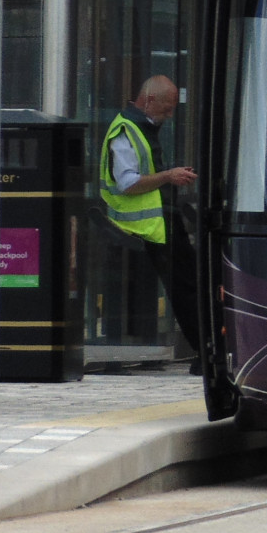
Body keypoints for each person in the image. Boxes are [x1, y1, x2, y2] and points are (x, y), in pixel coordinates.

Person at [98, 75, 200, 362]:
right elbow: (127, 183)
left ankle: (204, 348)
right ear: (149, 100)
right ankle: (202, 351)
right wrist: (169, 175)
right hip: (141, 229)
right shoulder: (125, 130)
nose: (170, 115)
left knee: (189, 285)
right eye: (167, 108)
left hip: (159, 224)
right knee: (184, 289)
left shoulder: (142, 127)